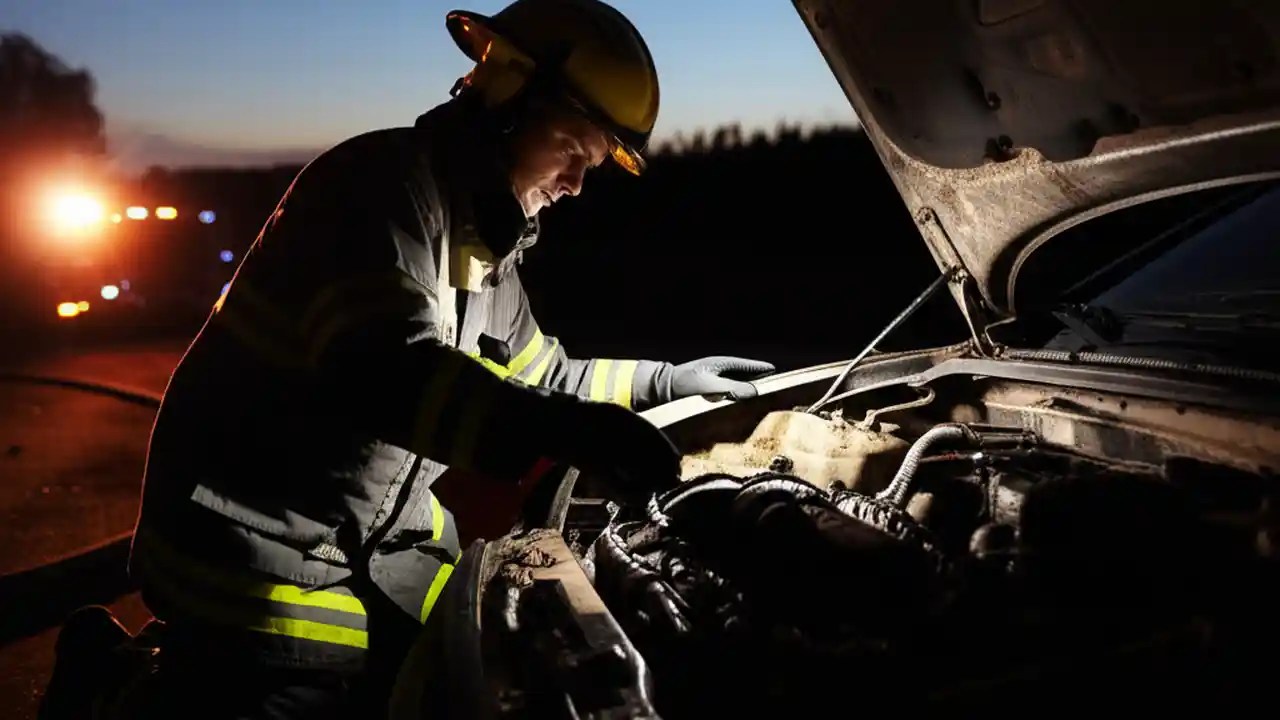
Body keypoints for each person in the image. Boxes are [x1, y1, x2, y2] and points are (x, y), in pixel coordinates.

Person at [39, 1, 775, 718]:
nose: (577, 185)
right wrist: (567, 430)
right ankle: (112, 685)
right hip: (253, 558)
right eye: (572, 152)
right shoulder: (377, 194)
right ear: (510, 100)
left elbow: (543, 377)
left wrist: (666, 381)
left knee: (455, 670)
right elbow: (389, 375)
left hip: (370, 552)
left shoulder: (483, 247)